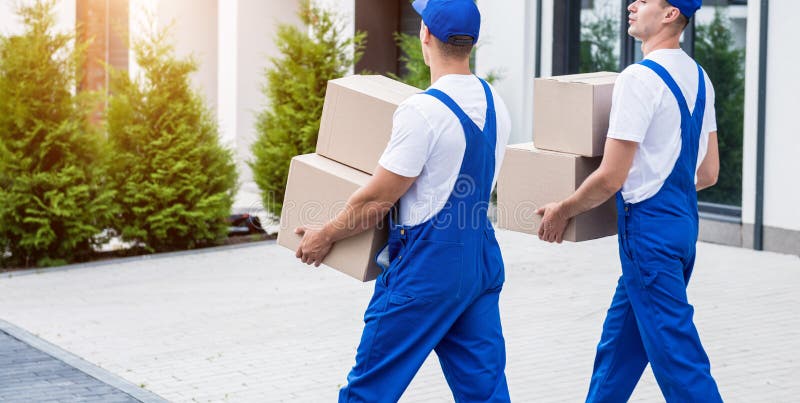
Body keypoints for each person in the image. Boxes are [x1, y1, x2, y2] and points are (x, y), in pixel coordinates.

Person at [294, 0, 513, 401]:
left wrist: (324, 235)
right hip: (479, 262)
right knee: (485, 392)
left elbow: (376, 199)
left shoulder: (423, 111)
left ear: (425, 34)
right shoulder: (495, 103)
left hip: (426, 271)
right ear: (472, 43)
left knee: (369, 390)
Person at [536, 0, 723, 401]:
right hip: (682, 225)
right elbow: (708, 174)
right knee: (620, 347)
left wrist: (562, 210)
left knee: (678, 358)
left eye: (644, 0)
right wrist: (661, 180)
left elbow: (611, 176)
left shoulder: (638, 79)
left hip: (648, 234)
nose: (632, 4)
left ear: (671, 14)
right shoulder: (699, 78)